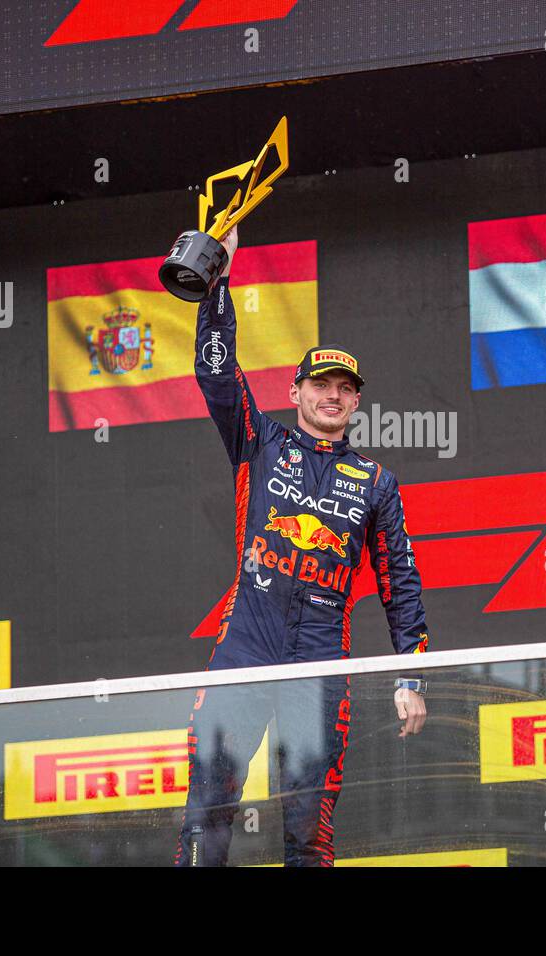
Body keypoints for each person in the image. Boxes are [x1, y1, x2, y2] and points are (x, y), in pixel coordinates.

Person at [174, 227, 430, 867]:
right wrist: (218, 286)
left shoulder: (375, 481)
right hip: (248, 643)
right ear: (296, 392)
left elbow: (400, 582)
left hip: (319, 662)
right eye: (321, 384)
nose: (332, 395)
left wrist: (411, 673)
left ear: (356, 402)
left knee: (307, 828)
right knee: (208, 808)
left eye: (345, 388)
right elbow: (216, 375)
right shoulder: (260, 445)